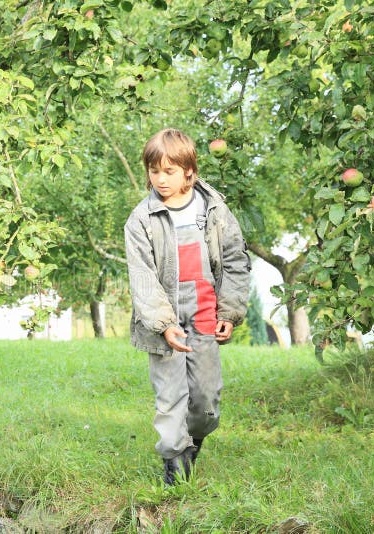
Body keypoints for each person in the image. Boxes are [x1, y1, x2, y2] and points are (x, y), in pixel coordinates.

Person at [124, 128, 250, 485]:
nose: (160, 180)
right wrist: (163, 323)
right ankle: (174, 466)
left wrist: (228, 312)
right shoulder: (141, 220)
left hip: (205, 313)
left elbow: (235, 260)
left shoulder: (212, 209)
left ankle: (193, 441)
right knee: (170, 397)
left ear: (189, 171)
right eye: (154, 171)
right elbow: (143, 278)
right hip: (162, 317)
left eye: (169, 171)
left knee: (206, 402)